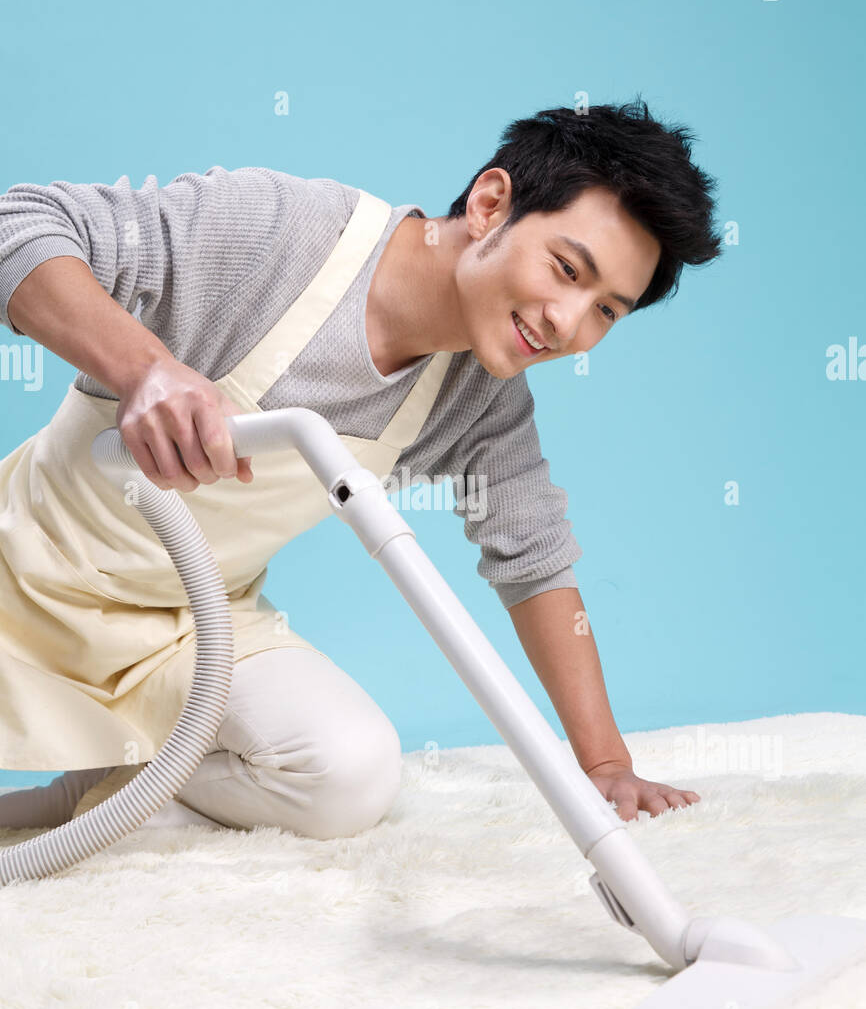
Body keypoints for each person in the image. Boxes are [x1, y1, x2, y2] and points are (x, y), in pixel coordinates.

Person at [0, 100, 722, 837]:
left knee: (350, 774)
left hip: (190, 632)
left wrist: (603, 765)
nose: (568, 323)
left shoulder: (481, 403)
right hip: (15, 571)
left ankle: (89, 805)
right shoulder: (281, 229)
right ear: (490, 203)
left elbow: (535, 561)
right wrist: (144, 368)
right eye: (567, 270)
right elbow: (16, 225)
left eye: (606, 311)